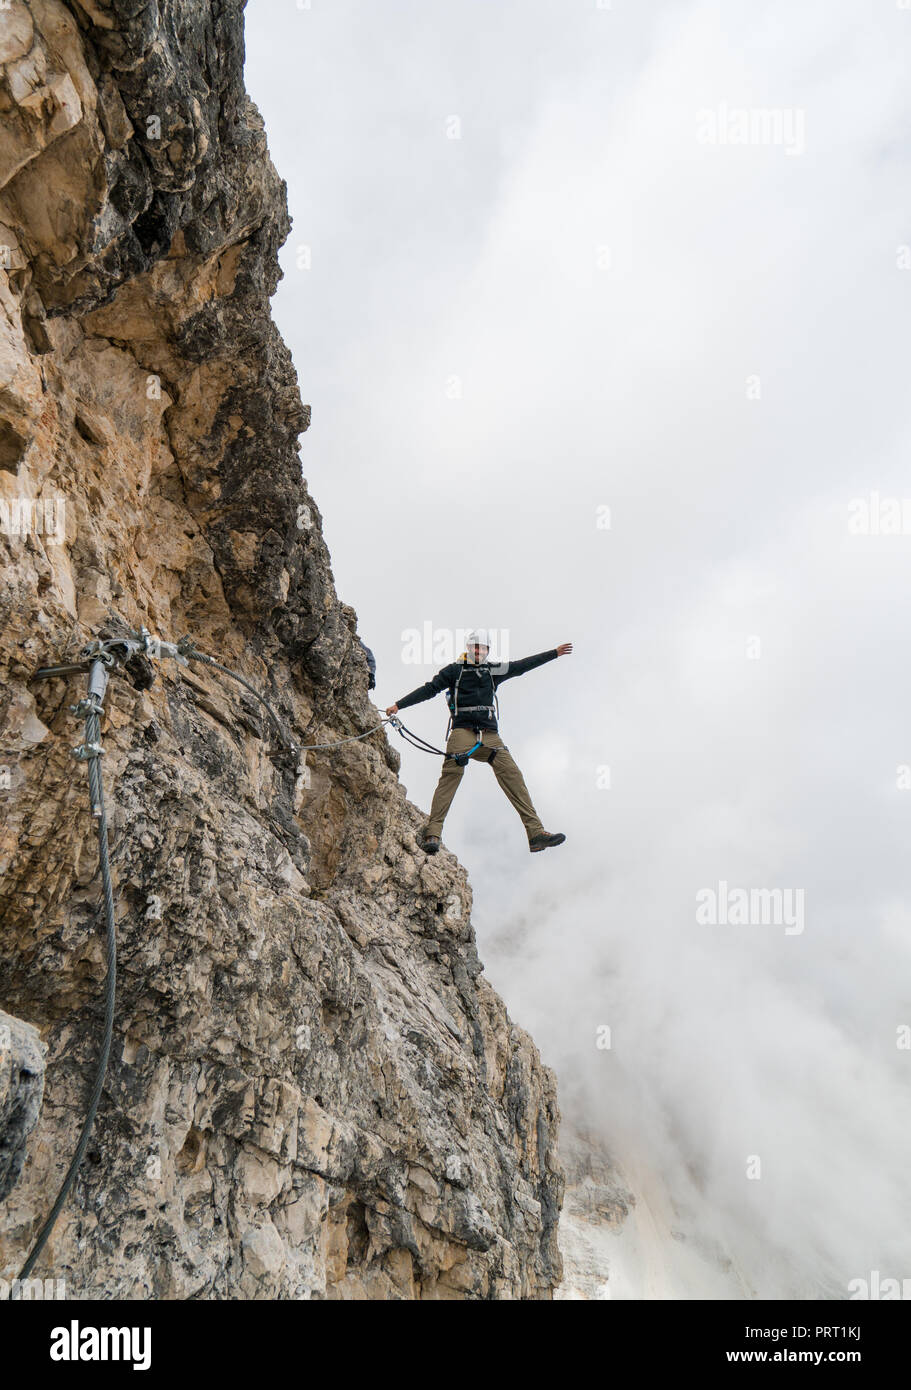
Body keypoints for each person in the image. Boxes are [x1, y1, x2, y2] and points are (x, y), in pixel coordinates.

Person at [386, 629, 572, 854]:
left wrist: (554, 653)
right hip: (462, 733)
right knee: (451, 777)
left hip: (490, 736)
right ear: (468, 648)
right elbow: (430, 689)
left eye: (482, 648)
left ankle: (535, 834)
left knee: (512, 774)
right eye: (475, 647)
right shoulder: (454, 671)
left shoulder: (493, 670)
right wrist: (399, 705)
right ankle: (432, 833)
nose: (478, 651)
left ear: (487, 651)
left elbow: (521, 666)